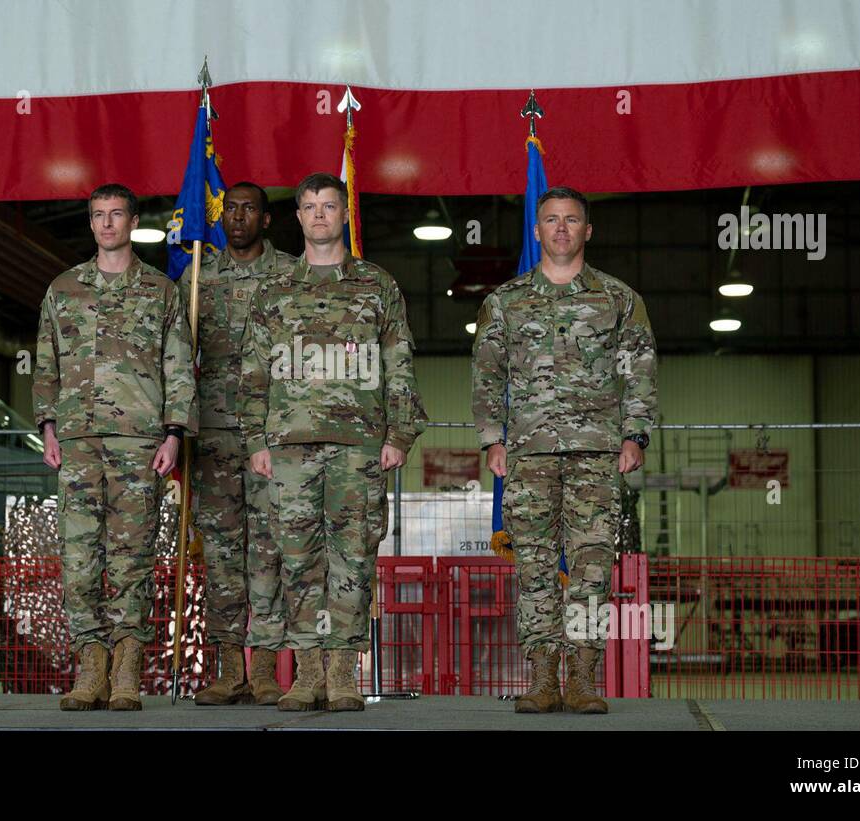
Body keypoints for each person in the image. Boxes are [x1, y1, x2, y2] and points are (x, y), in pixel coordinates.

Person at [239, 172, 427, 712]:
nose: (319, 214)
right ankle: (307, 673)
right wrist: (255, 437)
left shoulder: (376, 285)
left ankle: (343, 671)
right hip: (290, 448)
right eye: (309, 206)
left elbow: (399, 366)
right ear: (297, 217)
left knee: (353, 558)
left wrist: (399, 435)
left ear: (344, 214)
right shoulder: (273, 292)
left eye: (329, 205)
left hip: (360, 446)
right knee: (296, 559)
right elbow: (252, 374)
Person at [471, 186, 657, 715]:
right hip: (527, 454)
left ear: (587, 231)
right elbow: (487, 375)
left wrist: (634, 433)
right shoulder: (505, 301)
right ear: (537, 230)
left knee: (592, 566)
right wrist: (492, 438)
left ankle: (582, 677)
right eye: (550, 219)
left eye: (571, 220)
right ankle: (541, 679)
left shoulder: (618, 299)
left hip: (597, 453)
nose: (560, 228)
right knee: (532, 566)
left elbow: (638, 369)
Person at [33, 183, 197, 711]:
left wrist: (174, 434)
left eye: (116, 214)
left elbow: (179, 366)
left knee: (132, 556)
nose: (107, 223)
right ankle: (90, 665)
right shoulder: (63, 290)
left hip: (138, 441)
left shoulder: (160, 291)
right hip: (77, 441)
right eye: (98, 215)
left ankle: (127, 667)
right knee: (79, 557)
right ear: (90, 224)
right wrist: (50, 428)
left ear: (132, 221)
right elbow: (45, 364)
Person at [181, 182, 297, 706]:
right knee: (224, 555)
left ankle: (267, 667)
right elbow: (178, 356)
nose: (239, 217)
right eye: (231, 208)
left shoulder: (291, 275)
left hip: (273, 434)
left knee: (270, 549)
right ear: (220, 215)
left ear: (266, 220)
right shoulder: (197, 276)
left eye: (250, 209)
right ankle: (230, 669)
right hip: (214, 435)